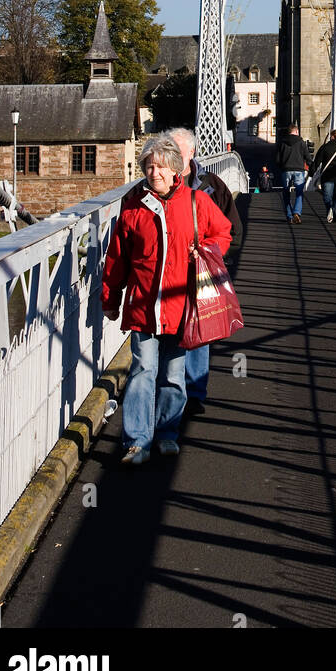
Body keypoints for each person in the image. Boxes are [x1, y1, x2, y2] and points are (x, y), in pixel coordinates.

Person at [102, 134, 232, 465]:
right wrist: (110, 299)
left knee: (174, 375)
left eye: (160, 166)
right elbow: (117, 258)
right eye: (149, 166)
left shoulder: (197, 202)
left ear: (175, 169)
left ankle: (167, 433)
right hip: (144, 306)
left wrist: (206, 250)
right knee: (142, 370)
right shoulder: (133, 207)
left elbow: (223, 231)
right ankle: (136, 441)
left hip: (181, 305)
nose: (154, 172)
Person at [168, 127, 240, 416]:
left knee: (200, 329)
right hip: (169, 273)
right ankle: (174, 395)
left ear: (191, 152)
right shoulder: (156, 184)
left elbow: (232, 228)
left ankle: (195, 393)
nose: (172, 157)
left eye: (177, 151)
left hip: (202, 272)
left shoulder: (212, 185)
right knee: (173, 332)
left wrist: (213, 256)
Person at [275, 124, 311, 224]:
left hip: (286, 170)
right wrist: (311, 166)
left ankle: (289, 215)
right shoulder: (301, 142)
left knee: (286, 193)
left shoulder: (282, 143)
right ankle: (296, 212)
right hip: (299, 170)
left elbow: (277, 159)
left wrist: (281, 167)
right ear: (296, 131)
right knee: (299, 192)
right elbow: (307, 157)